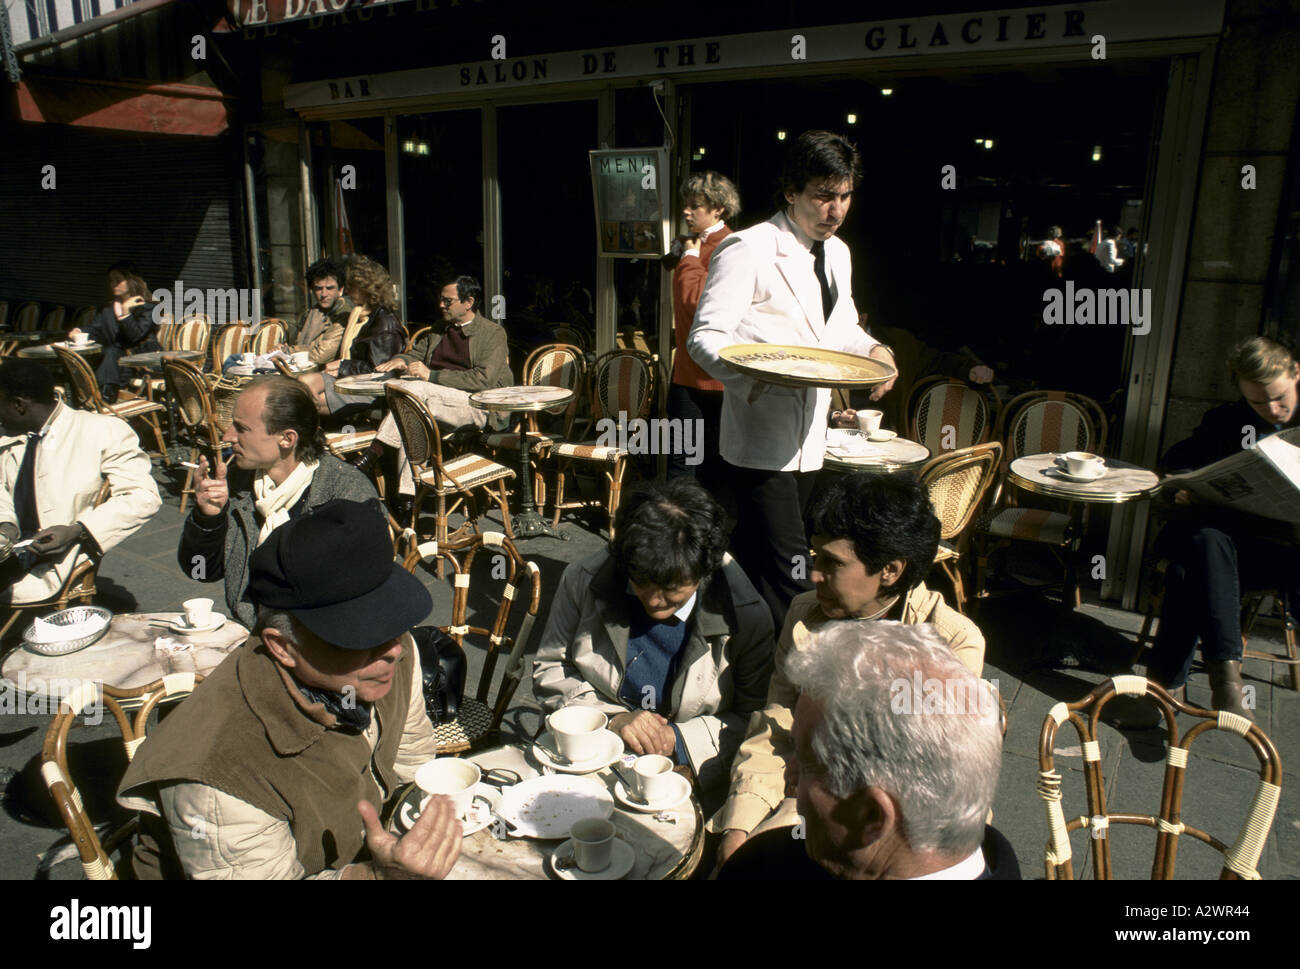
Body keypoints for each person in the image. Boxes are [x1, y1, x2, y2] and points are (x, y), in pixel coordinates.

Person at [122, 499, 461, 879]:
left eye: (391, 619)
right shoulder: (218, 772)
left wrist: (421, 825)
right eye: (359, 635)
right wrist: (380, 876)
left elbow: (411, 753)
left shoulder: (391, 655)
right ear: (282, 646)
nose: (393, 649)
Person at [709, 471, 985, 866]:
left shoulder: (952, 644)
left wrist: (792, 801)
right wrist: (740, 822)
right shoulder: (805, 615)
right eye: (814, 555)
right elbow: (774, 726)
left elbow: (919, 784)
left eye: (832, 563)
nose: (813, 574)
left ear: (890, 570)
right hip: (804, 794)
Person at [688, 130, 898, 628]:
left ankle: (735, 652)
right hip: (761, 434)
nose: (836, 209)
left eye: (844, 196)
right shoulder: (749, 248)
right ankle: (793, 675)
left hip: (812, 437)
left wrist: (874, 348)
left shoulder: (838, 254)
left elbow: (840, 325)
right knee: (793, 569)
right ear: (790, 192)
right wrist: (756, 380)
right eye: (823, 196)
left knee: (758, 558)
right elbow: (705, 336)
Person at [533, 478, 775, 802]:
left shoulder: (745, 617)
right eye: (643, 582)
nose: (655, 600)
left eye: (673, 587)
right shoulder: (584, 581)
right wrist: (611, 720)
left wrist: (678, 740)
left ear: (705, 571)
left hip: (695, 771)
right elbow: (552, 667)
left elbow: (756, 721)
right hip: (593, 748)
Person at [717, 622, 1017, 880]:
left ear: (871, 816)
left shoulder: (765, 867)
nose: (790, 774)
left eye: (807, 765)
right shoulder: (765, 865)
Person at [1143, 336, 1300, 719]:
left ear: (1297, 373)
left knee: (1189, 567)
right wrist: (1184, 487)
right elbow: (1178, 463)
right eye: (1257, 402)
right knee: (1204, 544)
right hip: (1230, 554)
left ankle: (1163, 690)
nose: (1272, 409)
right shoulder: (1228, 420)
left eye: (1279, 397)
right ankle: (1226, 684)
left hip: (1285, 556)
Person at [177, 376, 381, 630]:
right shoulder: (240, 482)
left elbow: (360, 601)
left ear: (287, 438)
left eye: (241, 429)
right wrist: (208, 519)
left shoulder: (347, 495)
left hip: (320, 645)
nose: (227, 436)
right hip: (252, 630)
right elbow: (200, 572)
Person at [0, 358, 161, 604]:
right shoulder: (10, 434)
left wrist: (79, 530)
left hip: (55, 561)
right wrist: (6, 524)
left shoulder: (102, 431)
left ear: (19, 405)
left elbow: (143, 497)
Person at [351, 275, 510, 509]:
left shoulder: (492, 333)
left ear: (469, 302)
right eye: (441, 300)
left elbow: (483, 379)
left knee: (413, 390)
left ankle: (373, 453)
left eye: (448, 301)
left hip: (476, 405)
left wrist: (432, 376)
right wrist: (400, 360)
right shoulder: (439, 329)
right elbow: (415, 355)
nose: (441, 305)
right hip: (434, 402)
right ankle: (407, 500)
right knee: (412, 415)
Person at [666, 171, 740, 499]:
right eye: (686, 204)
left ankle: (699, 541)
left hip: (714, 380)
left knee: (707, 467)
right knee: (684, 462)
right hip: (688, 374)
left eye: (695, 206)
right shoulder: (696, 243)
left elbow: (694, 304)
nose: (686, 212)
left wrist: (690, 257)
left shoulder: (728, 247)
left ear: (718, 210)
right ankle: (675, 539)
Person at [300, 255, 406, 418]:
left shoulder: (384, 323)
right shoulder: (362, 315)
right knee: (303, 383)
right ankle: (317, 425)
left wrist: (342, 366)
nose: (348, 291)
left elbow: (379, 370)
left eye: (352, 286)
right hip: (352, 379)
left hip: (368, 388)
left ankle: (320, 429)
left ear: (367, 288)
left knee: (305, 402)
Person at [68, 261, 161, 403]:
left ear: (131, 281)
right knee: (98, 355)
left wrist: (125, 313)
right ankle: (91, 395)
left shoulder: (148, 307)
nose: (113, 284)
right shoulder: (108, 308)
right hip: (115, 361)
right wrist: (79, 330)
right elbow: (96, 329)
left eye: (118, 280)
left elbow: (135, 336)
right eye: (111, 281)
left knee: (111, 352)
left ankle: (105, 398)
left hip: (141, 360)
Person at [280, 257, 354, 365]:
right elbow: (293, 340)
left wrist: (288, 351)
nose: (324, 294)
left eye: (329, 288)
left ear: (340, 290)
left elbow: (320, 355)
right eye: (319, 288)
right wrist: (282, 347)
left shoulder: (344, 315)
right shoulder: (310, 314)